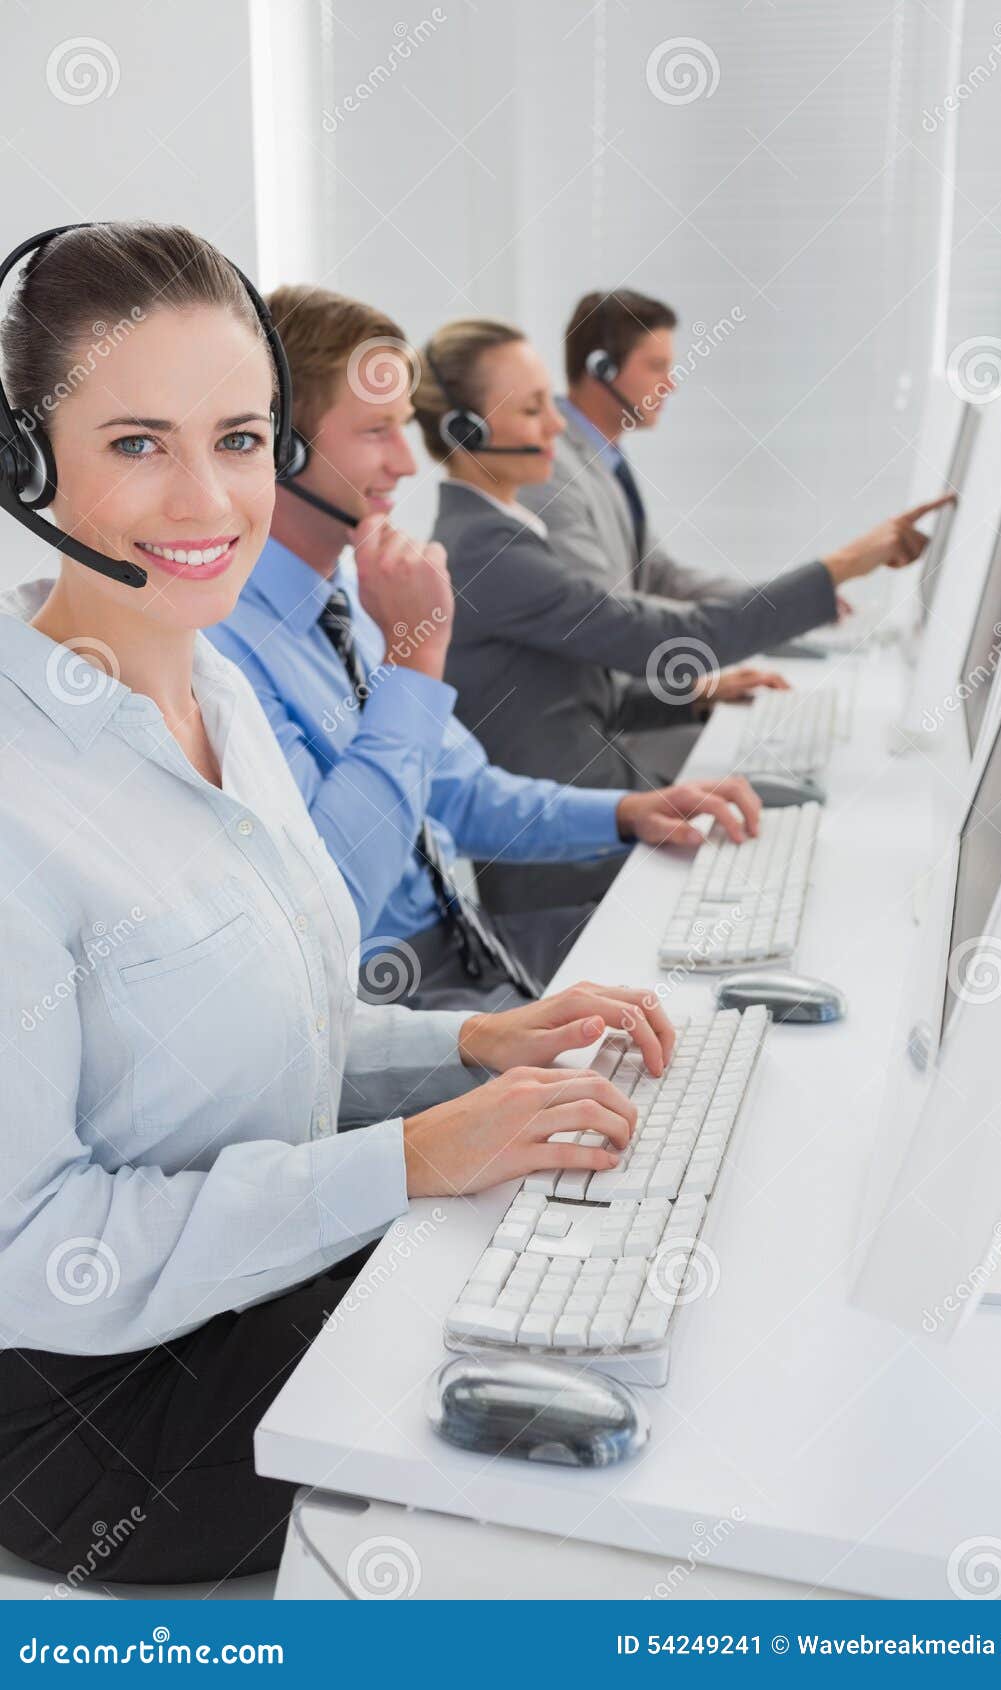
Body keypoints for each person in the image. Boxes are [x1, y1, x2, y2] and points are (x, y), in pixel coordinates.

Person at [0, 222, 674, 1586]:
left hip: (248, 1281)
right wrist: (412, 1158)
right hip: (100, 1405)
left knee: (606, 1311)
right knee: (566, 1498)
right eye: (138, 443)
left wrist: (465, 1047)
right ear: (24, 463)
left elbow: (242, 1049)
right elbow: (34, 1251)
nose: (207, 499)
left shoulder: (222, 689)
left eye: (240, 438)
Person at [209, 283, 764, 1004]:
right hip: (383, 999)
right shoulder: (223, 650)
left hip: (471, 949)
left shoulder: (355, 596)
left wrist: (628, 814)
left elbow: (462, 795)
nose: (408, 465)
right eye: (377, 431)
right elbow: (334, 895)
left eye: (404, 427)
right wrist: (414, 664)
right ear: (278, 450)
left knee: (707, 1002)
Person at [417, 316, 952, 912]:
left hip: (595, 834)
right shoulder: (489, 553)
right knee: (812, 880)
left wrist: (695, 696)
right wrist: (847, 563)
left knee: (800, 862)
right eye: (532, 410)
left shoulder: (502, 532)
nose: (557, 425)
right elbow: (665, 636)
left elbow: (571, 698)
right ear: (465, 432)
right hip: (561, 878)